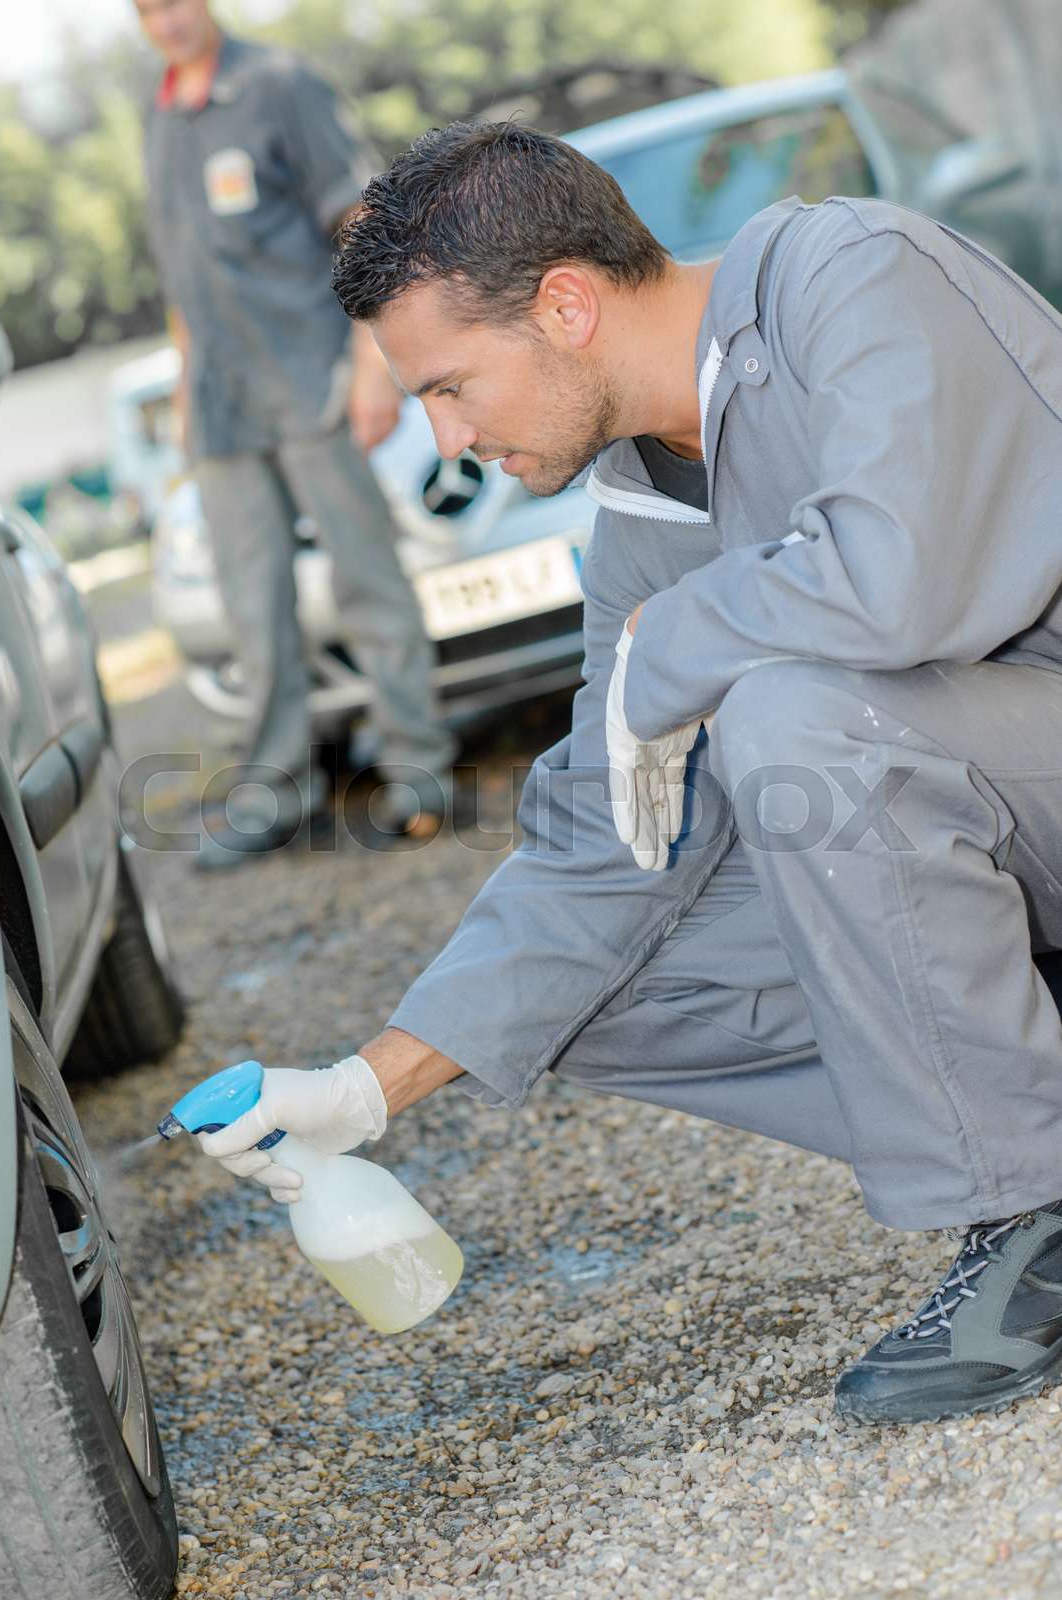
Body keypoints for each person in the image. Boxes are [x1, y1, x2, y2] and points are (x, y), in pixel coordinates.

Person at [197, 122, 1062, 1425]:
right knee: (594, 988)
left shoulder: (855, 274)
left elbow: (900, 576)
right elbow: (598, 841)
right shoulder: (640, 523)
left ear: (566, 303)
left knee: (796, 723)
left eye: (449, 385)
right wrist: (363, 1091)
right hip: (1006, 819)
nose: (443, 439)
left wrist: (681, 646)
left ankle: (1028, 1211)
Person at [136, 0, 455, 868]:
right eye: (144, 8)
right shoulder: (157, 111)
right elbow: (183, 272)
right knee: (253, 607)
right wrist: (186, 387)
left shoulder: (280, 84)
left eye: (173, 3)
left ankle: (417, 772)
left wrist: (369, 361)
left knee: (366, 581)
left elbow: (360, 224)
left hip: (311, 379)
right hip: (223, 403)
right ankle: (277, 792)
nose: (163, 20)